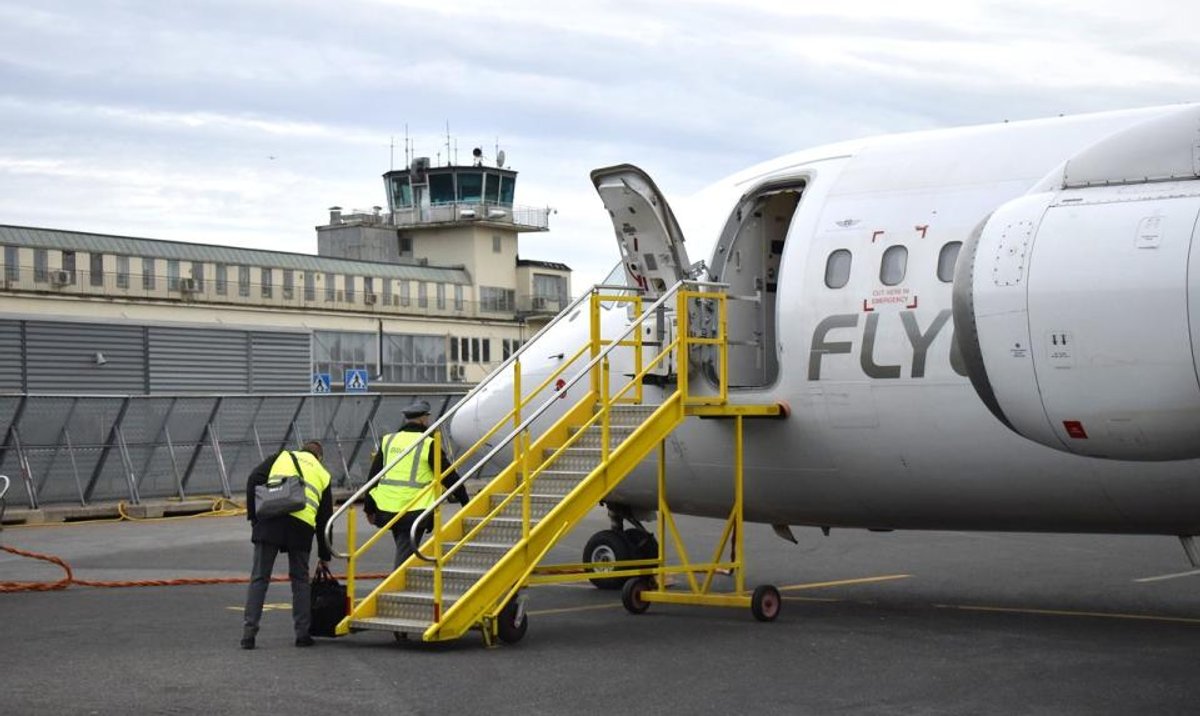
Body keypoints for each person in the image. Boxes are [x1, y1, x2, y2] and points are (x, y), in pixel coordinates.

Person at [241, 440, 333, 649]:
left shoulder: (282, 457)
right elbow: (325, 520)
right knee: (300, 581)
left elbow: (253, 478)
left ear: (301, 450)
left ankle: (248, 635)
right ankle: (302, 635)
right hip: (301, 530)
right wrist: (324, 555)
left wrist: (254, 517)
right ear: (320, 458)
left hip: (269, 522)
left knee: (259, 578)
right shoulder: (323, 474)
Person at [364, 400, 469, 568]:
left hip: (387, 508)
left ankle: (398, 585)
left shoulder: (389, 441)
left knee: (403, 548)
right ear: (423, 420)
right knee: (404, 559)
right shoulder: (428, 443)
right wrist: (465, 501)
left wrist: (368, 507)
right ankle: (395, 589)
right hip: (414, 509)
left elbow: (373, 476)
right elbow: (448, 475)